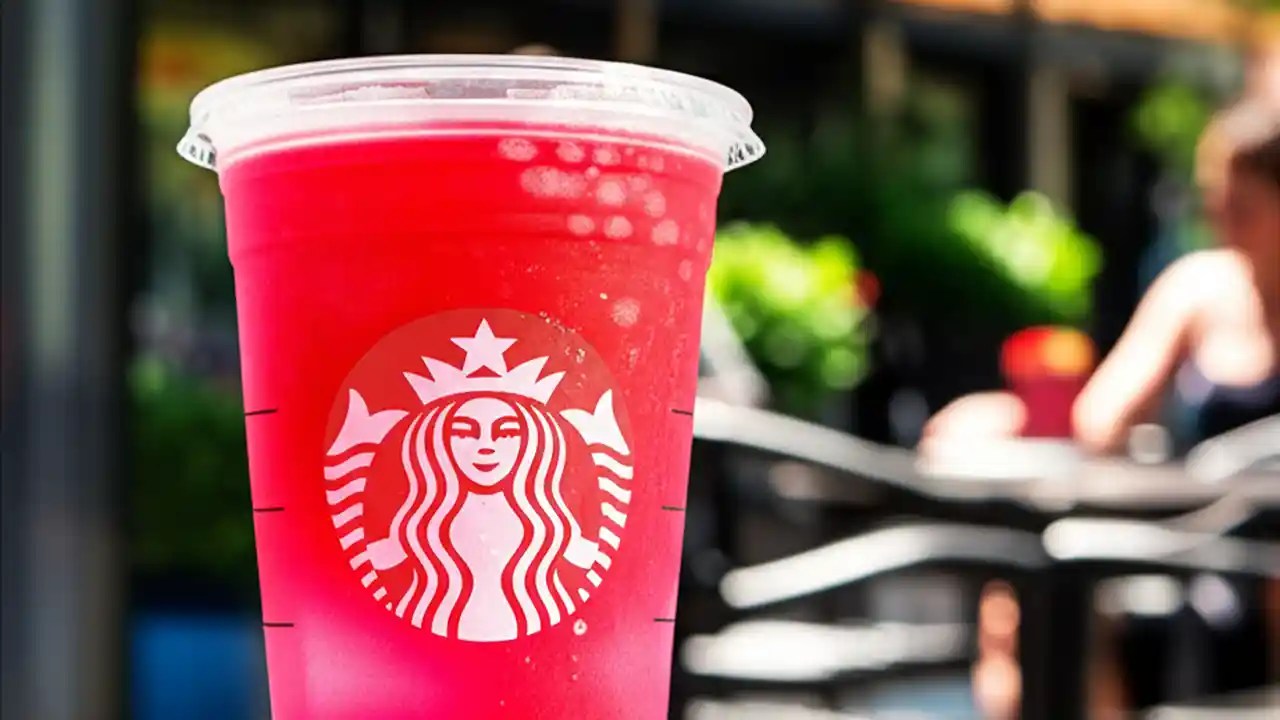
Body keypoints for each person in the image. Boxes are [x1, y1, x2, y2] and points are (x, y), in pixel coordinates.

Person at [927, 98, 1280, 718]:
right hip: (1193, 545)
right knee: (1029, 590)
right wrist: (1015, 416)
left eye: (1240, 204)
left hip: (1258, 560)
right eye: (1213, 200)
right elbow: (1102, 419)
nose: (1220, 218)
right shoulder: (1201, 287)